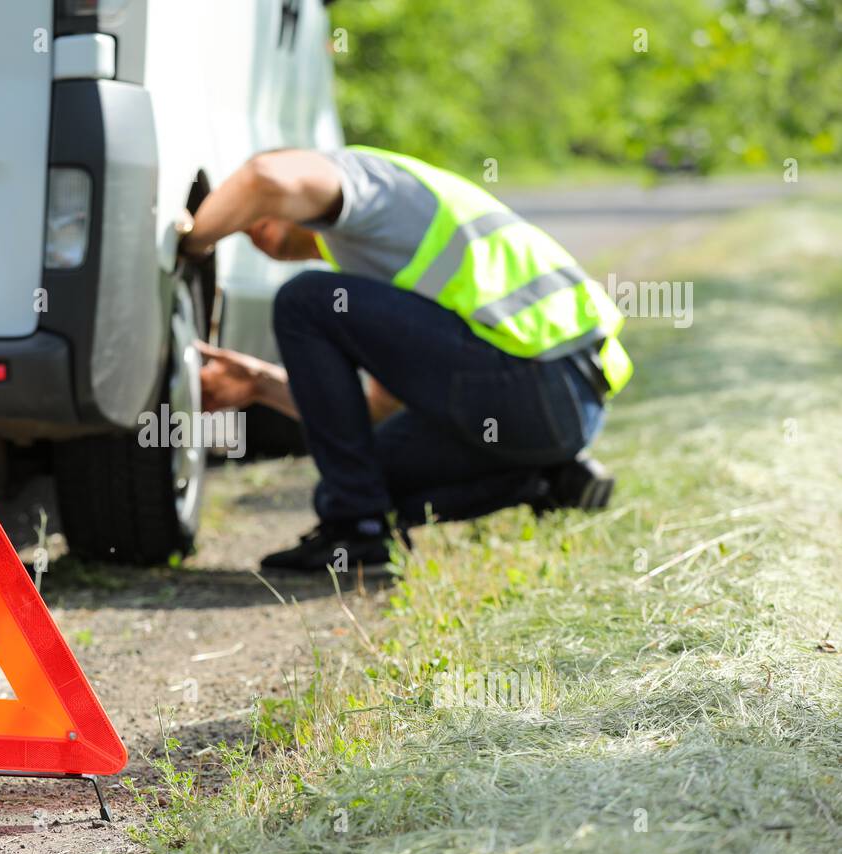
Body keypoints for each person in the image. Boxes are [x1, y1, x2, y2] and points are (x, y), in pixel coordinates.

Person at [177, 147, 632, 571]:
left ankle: (357, 531)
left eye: (254, 220)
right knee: (365, 478)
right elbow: (369, 414)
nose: (254, 234)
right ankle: (548, 478)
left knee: (303, 301)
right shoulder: (377, 255)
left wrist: (194, 242)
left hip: (536, 379)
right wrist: (260, 384)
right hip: (566, 411)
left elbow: (263, 176)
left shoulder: (365, 180)